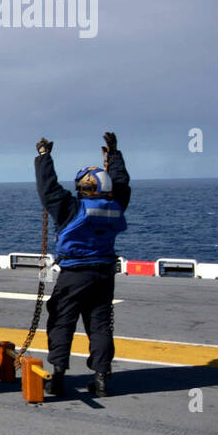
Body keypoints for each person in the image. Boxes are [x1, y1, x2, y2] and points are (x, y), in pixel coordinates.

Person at [34, 132, 130, 397]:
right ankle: (100, 379)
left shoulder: (70, 208)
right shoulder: (116, 205)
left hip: (75, 274)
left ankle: (58, 377)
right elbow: (122, 182)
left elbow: (48, 188)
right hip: (104, 274)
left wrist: (44, 156)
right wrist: (114, 154)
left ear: (83, 187)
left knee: (62, 321)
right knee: (99, 324)